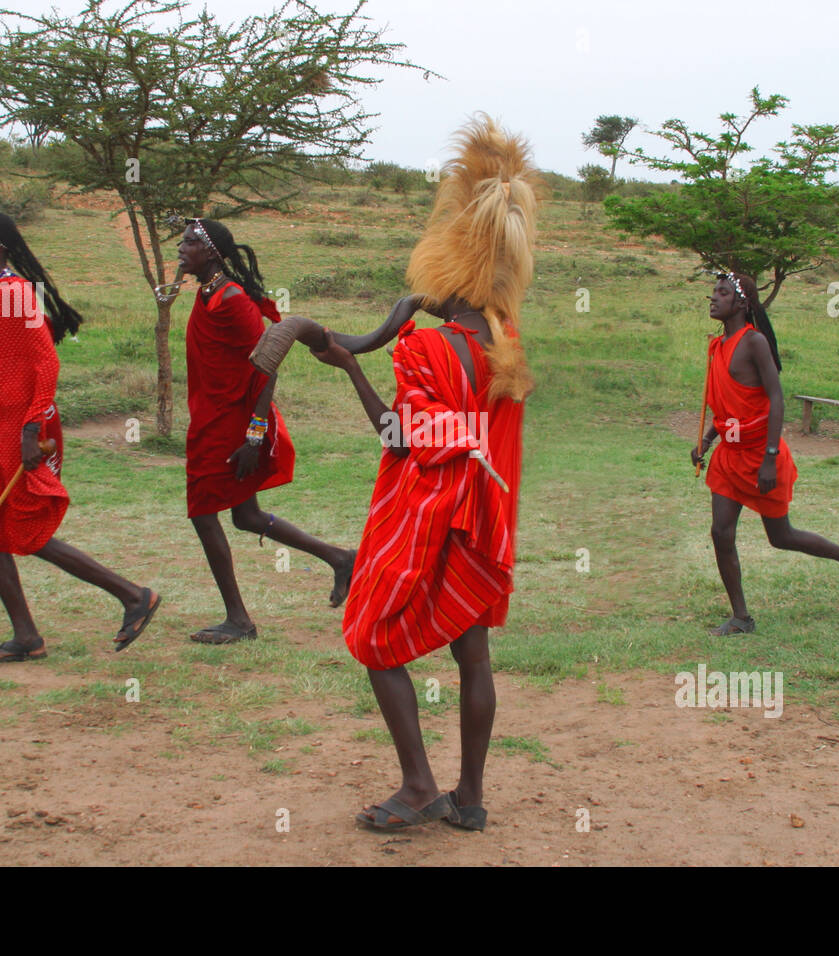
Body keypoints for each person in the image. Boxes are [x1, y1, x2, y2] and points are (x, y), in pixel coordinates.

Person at [310, 116, 537, 832]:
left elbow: (400, 436)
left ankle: (417, 786)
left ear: (451, 262)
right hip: (485, 519)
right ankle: (469, 798)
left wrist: (351, 366)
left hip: (429, 512)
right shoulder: (505, 344)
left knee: (374, 637)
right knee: (474, 653)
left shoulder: (426, 349)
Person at [0, 212, 160, 662]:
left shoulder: (13, 295)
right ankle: (26, 636)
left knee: (27, 532)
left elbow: (45, 365)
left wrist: (30, 430)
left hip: (20, 435)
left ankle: (133, 596)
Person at [178, 218, 355, 644]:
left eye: (189, 243)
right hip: (211, 417)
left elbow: (268, 365)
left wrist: (254, 435)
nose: (181, 248)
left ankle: (239, 620)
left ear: (212, 253)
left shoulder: (232, 301)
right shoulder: (209, 295)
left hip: (232, 424)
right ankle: (340, 558)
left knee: (204, 513)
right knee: (245, 515)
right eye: (182, 242)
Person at [692, 272, 839, 635]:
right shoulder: (718, 344)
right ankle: (741, 617)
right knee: (721, 532)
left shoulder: (753, 342)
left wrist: (771, 457)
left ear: (741, 303)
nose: (713, 298)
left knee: (781, 536)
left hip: (761, 454)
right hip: (729, 457)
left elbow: (776, 399)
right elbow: (727, 405)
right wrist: (708, 439)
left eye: (722, 292)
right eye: (713, 291)